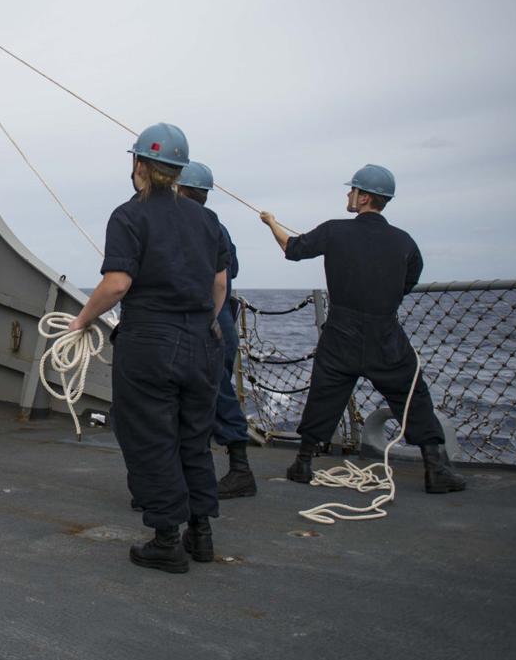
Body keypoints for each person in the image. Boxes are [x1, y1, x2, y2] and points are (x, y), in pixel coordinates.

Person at [68, 123, 230, 574]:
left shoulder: (128, 216)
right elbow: (219, 284)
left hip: (150, 343)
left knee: (151, 440)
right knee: (193, 439)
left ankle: (166, 540)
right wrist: (204, 323)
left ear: (138, 163)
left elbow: (118, 283)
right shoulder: (207, 220)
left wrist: (83, 320)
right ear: (178, 170)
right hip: (201, 342)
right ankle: (201, 533)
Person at [259, 164, 466, 494]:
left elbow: (292, 249)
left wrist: (271, 222)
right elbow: (408, 281)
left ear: (364, 196)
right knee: (413, 396)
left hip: (341, 332)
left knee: (325, 393)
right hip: (386, 334)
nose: (348, 194)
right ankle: (436, 468)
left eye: (352, 190)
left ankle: (303, 463)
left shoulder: (334, 231)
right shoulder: (404, 241)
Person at [177, 161, 256, 499]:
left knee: (214, 395)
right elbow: (230, 268)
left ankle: (240, 471)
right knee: (212, 394)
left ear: (179, 188)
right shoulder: (217, 227)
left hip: (202, 323)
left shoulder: (182, 225)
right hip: (221, 323)